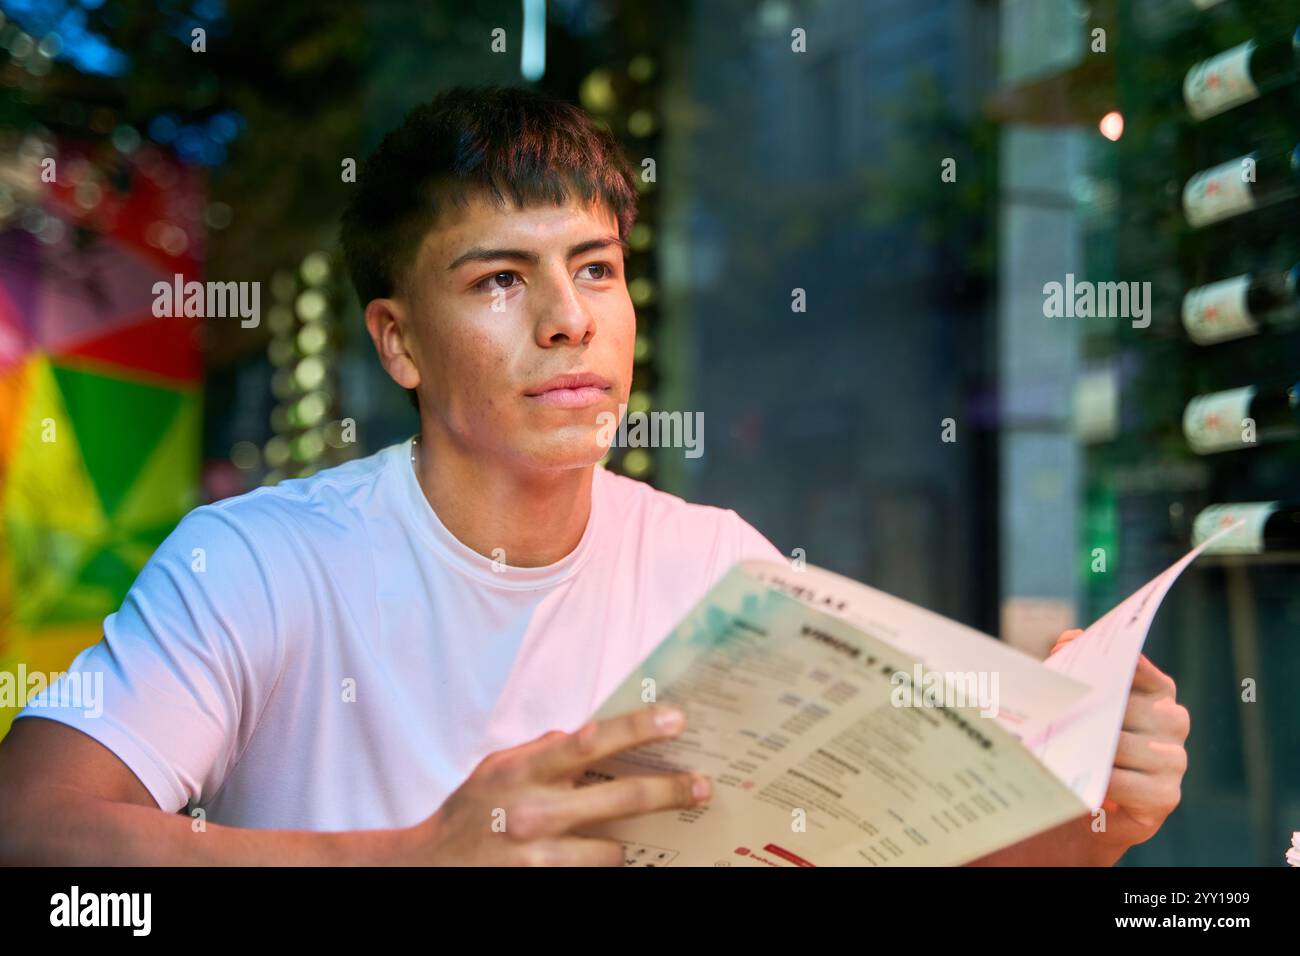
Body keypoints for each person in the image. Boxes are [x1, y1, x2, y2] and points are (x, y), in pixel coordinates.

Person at [0, 86, 1188, 866]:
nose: (570, 319)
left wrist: (1085, 817)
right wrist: (414, 854)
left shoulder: (710, 556)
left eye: (597, 268)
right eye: (500, 279)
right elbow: (35, 830)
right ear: (398, 340)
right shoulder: (256, 561)